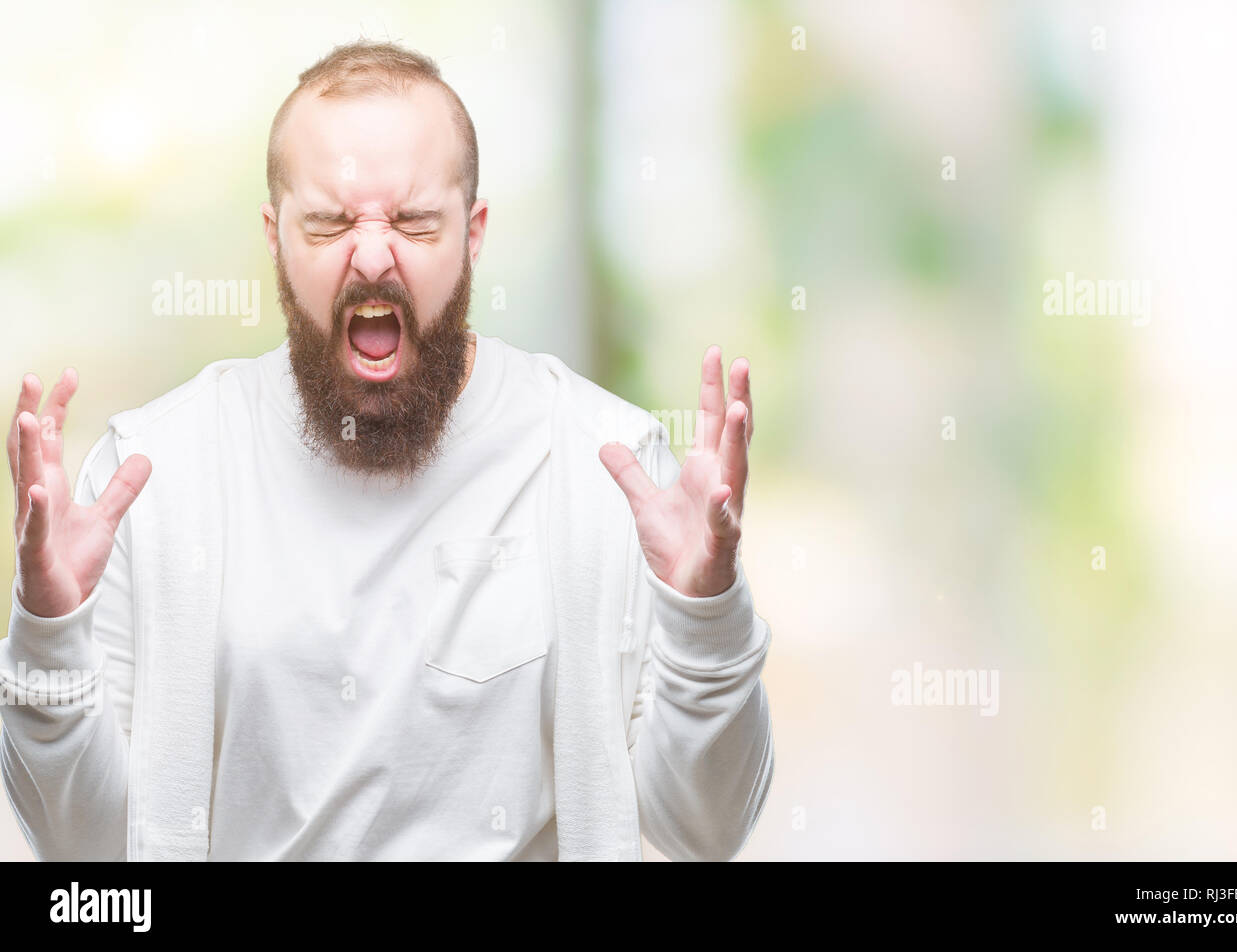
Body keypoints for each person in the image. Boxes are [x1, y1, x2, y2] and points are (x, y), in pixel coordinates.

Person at [0, 39, 774, 861]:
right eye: (330, 223)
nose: (372, 256)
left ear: (473, 234)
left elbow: (706, 832)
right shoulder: (154, 474)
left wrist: (706, 617)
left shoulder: (605, 466)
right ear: (275, 236)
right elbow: (83, 855)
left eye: (413, 221)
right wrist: (49, 630)